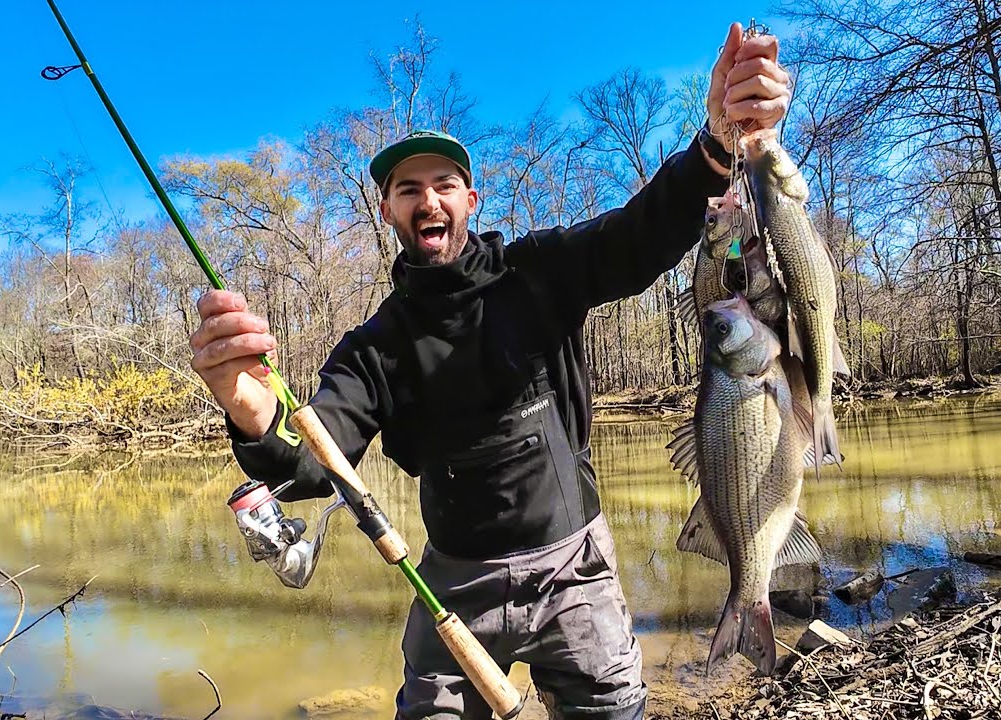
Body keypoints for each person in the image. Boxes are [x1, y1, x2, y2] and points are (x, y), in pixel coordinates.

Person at [190, 23, 790, 720]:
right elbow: (317, 463)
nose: (427, 200)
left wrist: (717, 144)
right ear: (388, 211)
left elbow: (639, 236)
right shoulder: (375, 345)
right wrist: (249, 408)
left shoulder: (538, 270)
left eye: (444, 183)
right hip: (453, 583)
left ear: (469, 202)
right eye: (407, 189)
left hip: (577, 569)